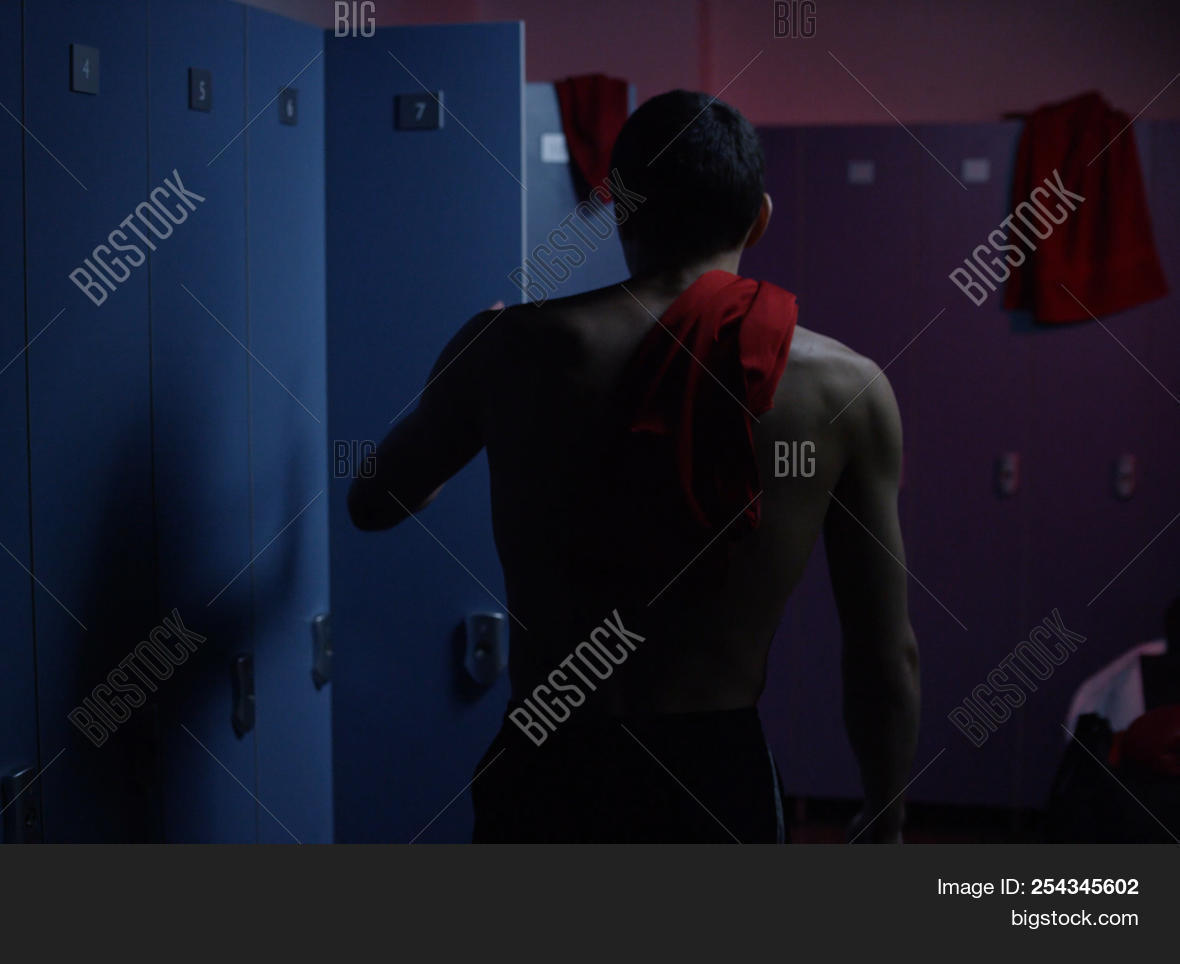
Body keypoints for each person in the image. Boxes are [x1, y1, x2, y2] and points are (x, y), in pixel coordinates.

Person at [347, 90, 920, 843]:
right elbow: (885, 651)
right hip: (716, 774)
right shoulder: (848, 390)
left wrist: (459, 388)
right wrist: (888, 817)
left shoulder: (507, 349)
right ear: (760, 218)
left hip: (550, 759)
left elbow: (375, 499)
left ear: (617, 207)